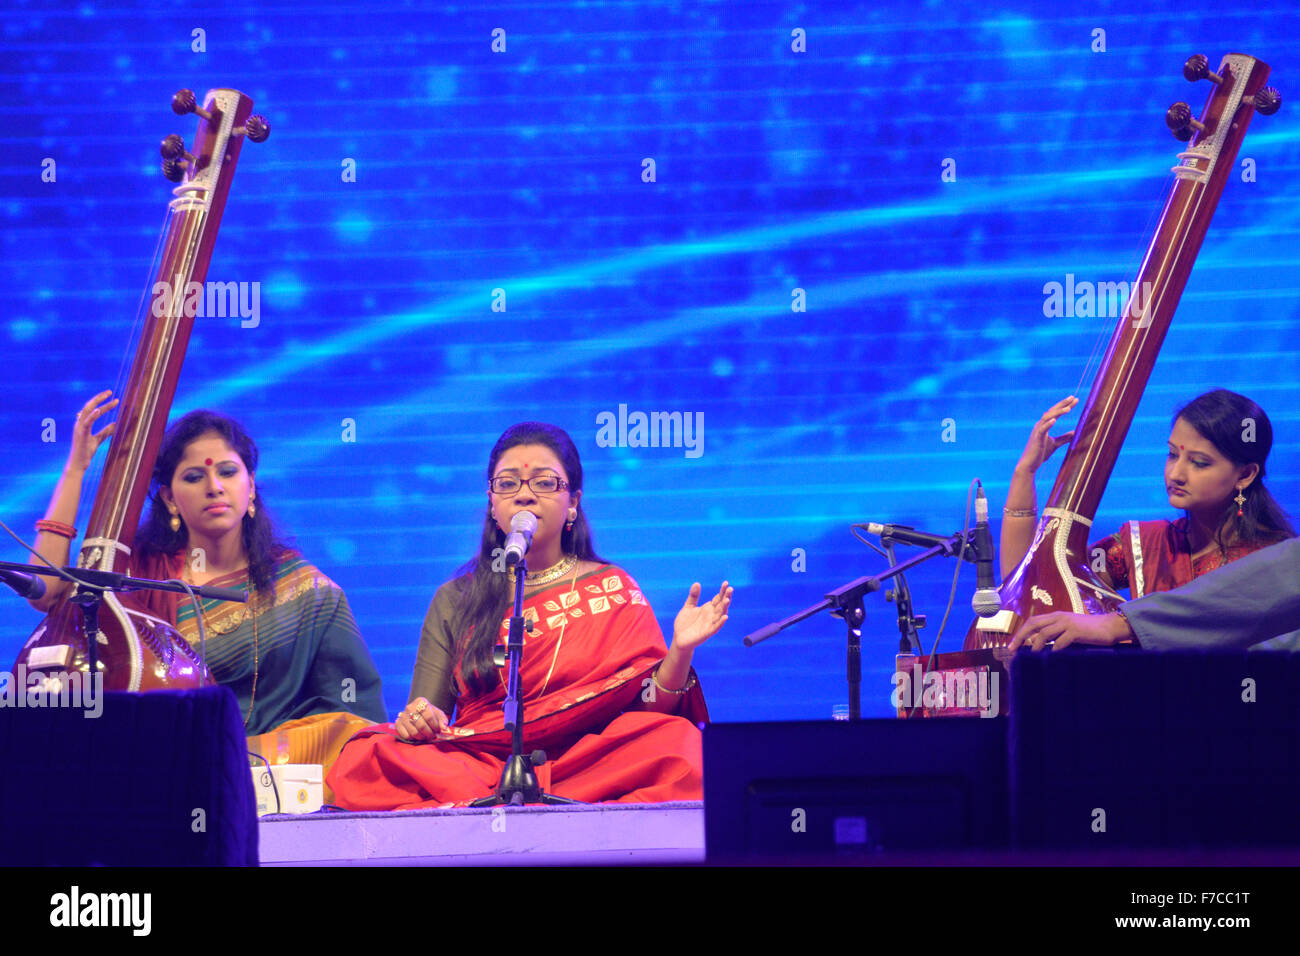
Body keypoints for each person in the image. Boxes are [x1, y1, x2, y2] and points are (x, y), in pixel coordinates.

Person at [326, 422, 732, 809]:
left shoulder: (613, 586)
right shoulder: (455, 599)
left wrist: (680, 651)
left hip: (591, 760)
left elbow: (651, 710)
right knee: (368, 757)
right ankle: (501, 807)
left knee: (681, 746)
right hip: (483, 766)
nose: (524, 495)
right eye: (508, 484)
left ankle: (525, 810)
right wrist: (418, 719)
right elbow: (426, 718)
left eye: (543, 482)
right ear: (492, 502)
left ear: (572, 502)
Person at [30, 392, 385, 779]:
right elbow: (47, 592)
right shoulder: (139, 576)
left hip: (279, 773)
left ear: (251, 486)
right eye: (194, 477)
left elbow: (351, 711)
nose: (214, 486)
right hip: (169, 770)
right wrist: (76, 470)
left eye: (228, 472)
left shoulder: (304, 589)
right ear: (169, 498)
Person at [1002, 388, 1297, 652]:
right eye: (1172, 455)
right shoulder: (1146, 546)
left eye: (1199, 462)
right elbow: (1032, 585)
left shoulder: (1275, 567)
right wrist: (1024, 474)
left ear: (1245, 475)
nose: (1176, 473)